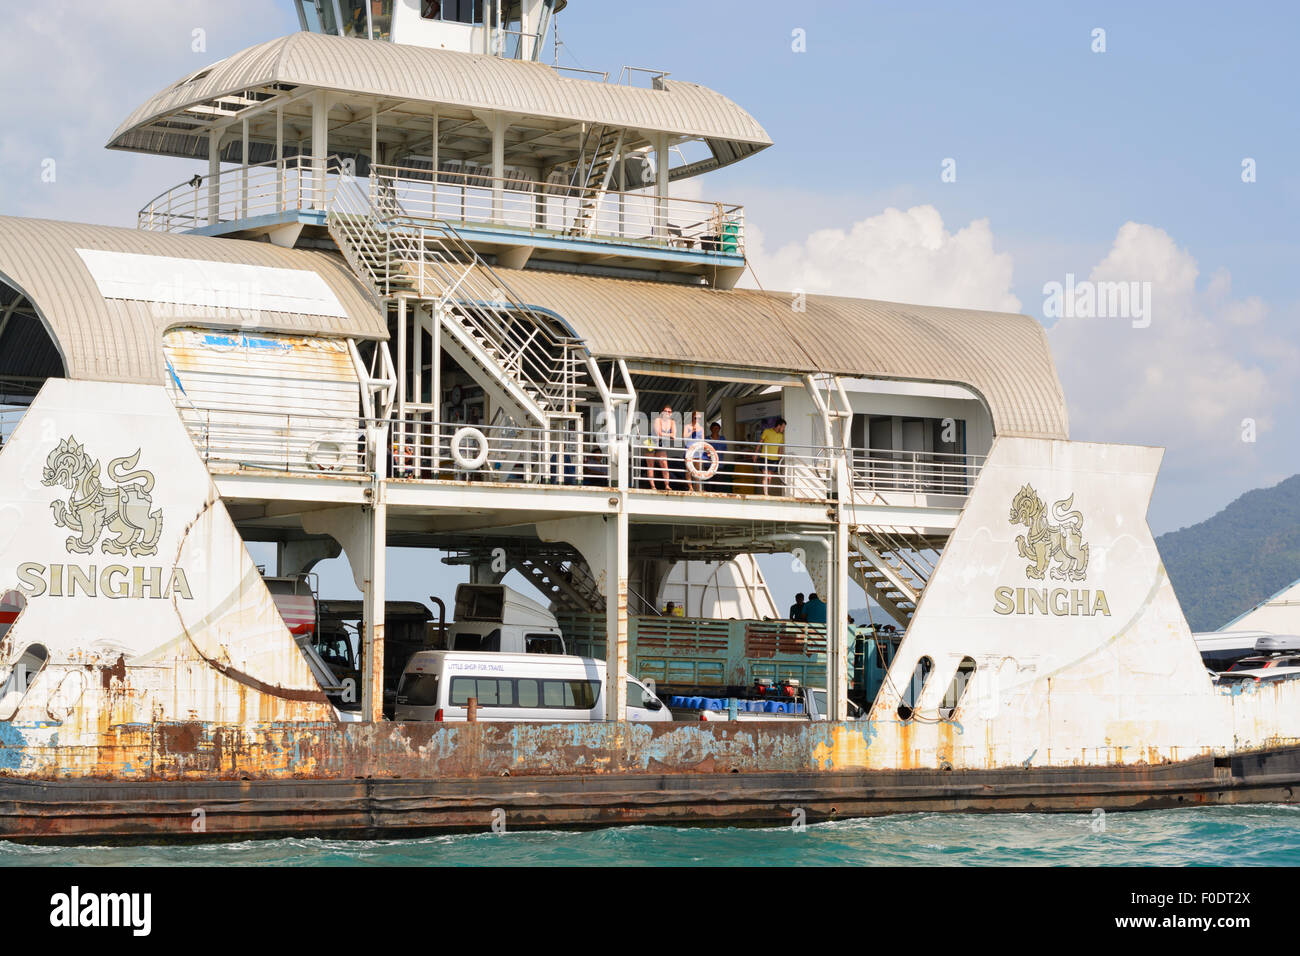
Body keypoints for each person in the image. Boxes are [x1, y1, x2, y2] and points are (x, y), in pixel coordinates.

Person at [650, 405, 677, 491]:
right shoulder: (658, 420)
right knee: (651, 465)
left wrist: (665, 435)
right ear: (662, 412)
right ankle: (653, 486)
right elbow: (658, 433)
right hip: (651, 442)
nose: (667, 413)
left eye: (669, 412)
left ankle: (667, 485)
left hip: (661, 443)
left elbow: (674, 435)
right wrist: (669, 435)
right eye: (665, 411)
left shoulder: (672, 422)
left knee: (664, 464)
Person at [759, 418, 786, 495]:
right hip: (765, 457)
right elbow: (760, 442)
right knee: (765, 476)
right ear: (779, 425)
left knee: (769, 477)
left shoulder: (781, 436)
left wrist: (780, 459)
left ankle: (767, 491)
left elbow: (780, 448)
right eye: (783, 427)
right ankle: (766, 493)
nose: (783, 429)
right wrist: (755, 454)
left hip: (774, 459)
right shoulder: (767, 431)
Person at [683, 411, 705, 491]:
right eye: (695, 418)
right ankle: (690, 487)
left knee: (697, 471)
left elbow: (703, 440)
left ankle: (698, 488)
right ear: (692, 417)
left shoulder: (701, 428)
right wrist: (692, 431)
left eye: (699, 418)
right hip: (689, 450)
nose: (697, 419)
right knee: (689, 470)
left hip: (698, 452)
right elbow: (684, 437)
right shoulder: (687, 426)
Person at [706, 421, 729, 493]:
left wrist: (714, 449)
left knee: (718, 483)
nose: (716, 430)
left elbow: (724, 448)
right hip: (708, 464)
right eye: (714, 428)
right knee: (709, 482)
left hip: (719, 464)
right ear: (711, 429)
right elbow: (705, 449)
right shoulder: (707, 438)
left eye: (717, 428)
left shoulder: (722, 438)